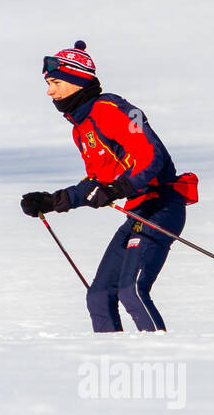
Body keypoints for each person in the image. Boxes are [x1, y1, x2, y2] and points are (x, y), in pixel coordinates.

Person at [20, 42, 196, 333]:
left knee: (132, 291)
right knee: (99, 296)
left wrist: (116, 189)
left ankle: (159, 355)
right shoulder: (82, 128)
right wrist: (52, 201)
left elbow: (152, 157)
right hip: (138, 211)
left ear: (77, 81)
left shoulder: (111, 109)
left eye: (55, 82)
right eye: (48, 84)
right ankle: (112, 359)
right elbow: (96, 181)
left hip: (162, 207)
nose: (50, 91)